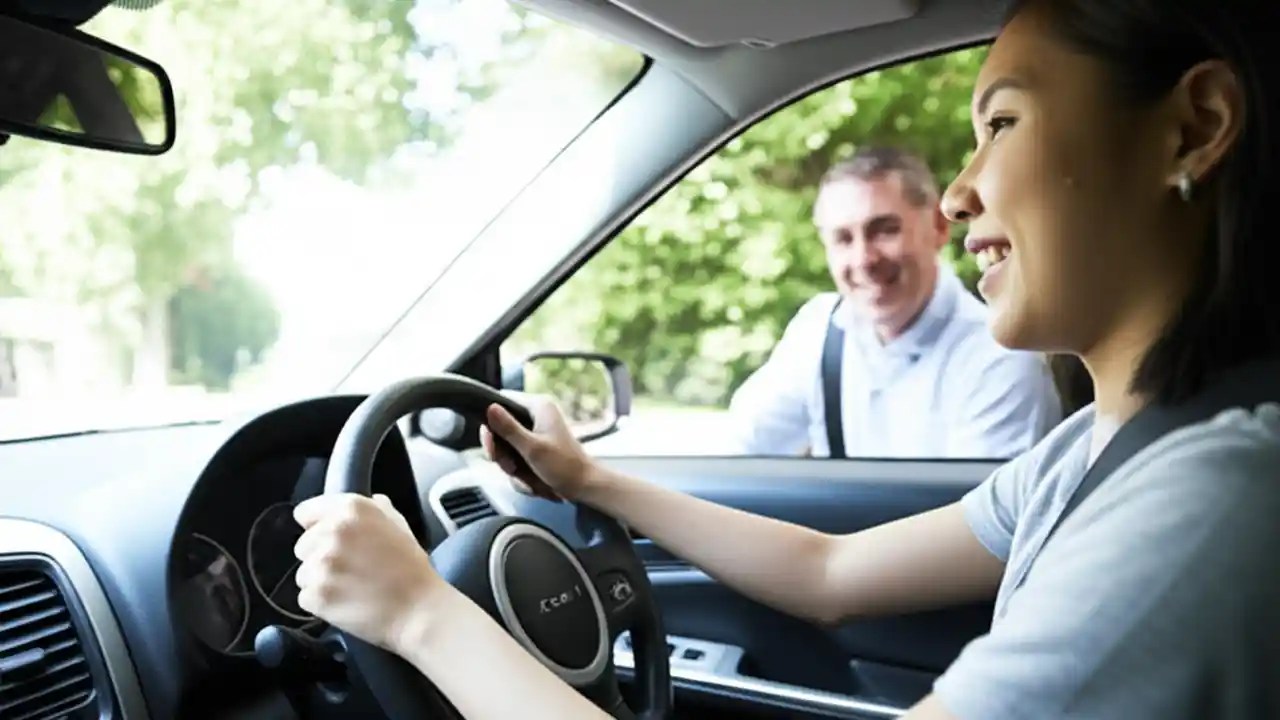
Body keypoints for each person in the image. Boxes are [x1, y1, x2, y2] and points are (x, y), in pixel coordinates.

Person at [289, 0, 1280, 717]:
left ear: (1191, 129)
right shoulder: (1092, 454)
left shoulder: (1211, 499)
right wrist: (590, 479)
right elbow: (830, 569)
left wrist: (420, 613)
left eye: (1001, 124)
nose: (958, 195)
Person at [726, 146, 1062, 459]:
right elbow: (738, 457)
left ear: (938, 227)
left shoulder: (999, 360)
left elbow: (978, 520)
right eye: (843, 238)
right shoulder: (818, 333)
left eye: (884, 230)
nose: (863, 259)